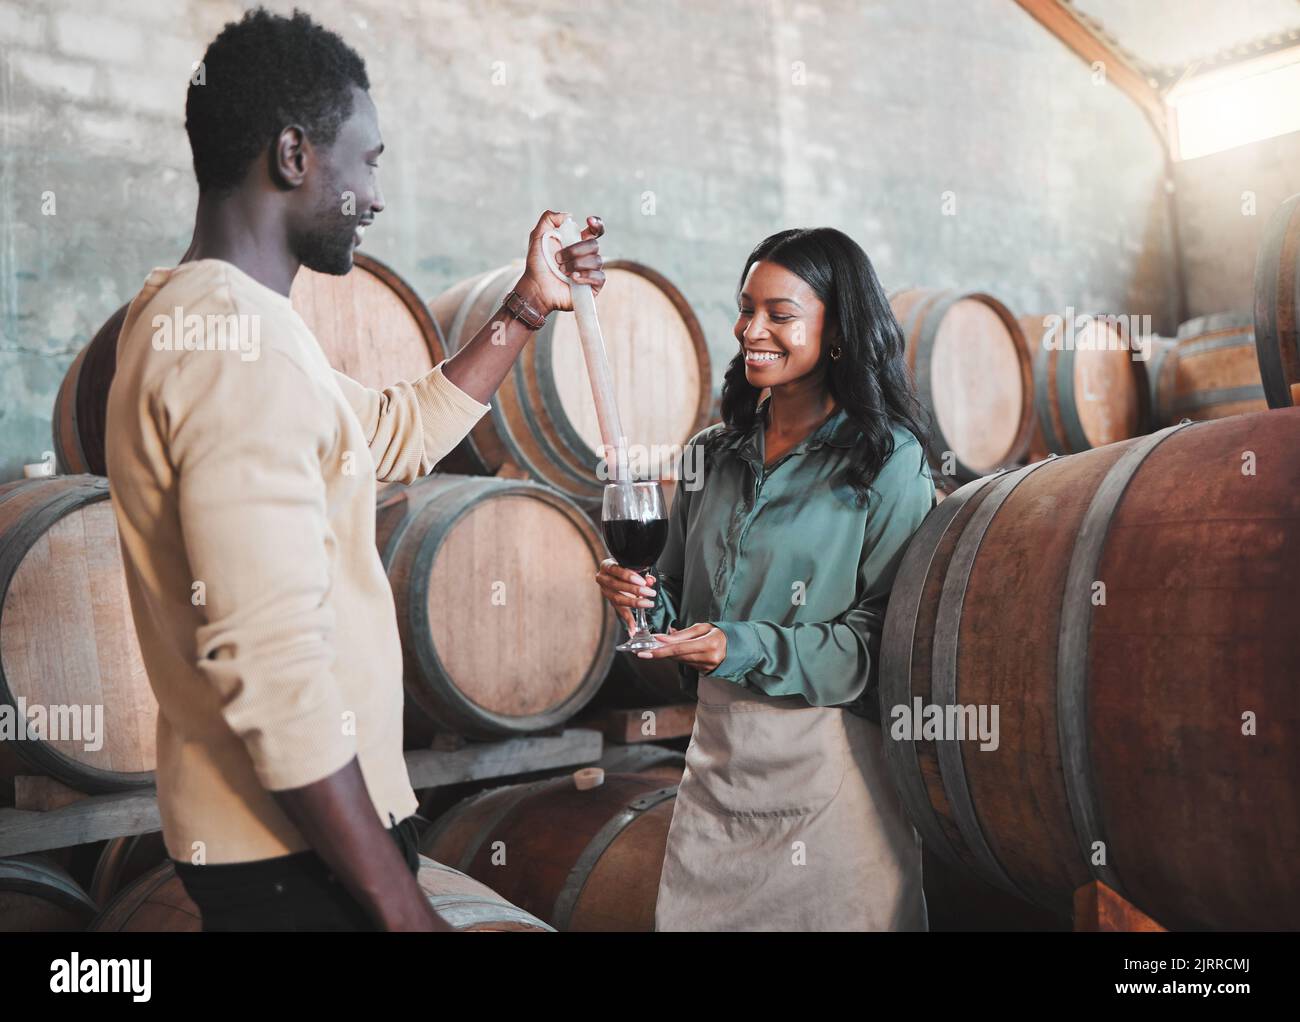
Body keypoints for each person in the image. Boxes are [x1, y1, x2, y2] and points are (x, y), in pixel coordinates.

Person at [104, 8, 605, 931]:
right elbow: (272, 662)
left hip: (280, 841)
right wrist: (401, 906)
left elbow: (389, 429)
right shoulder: (235, 345)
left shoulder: (208, 315)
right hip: (297, 857)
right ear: (295, 157)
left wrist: (528, 307)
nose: (377, 196)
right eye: (367, 162)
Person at [595, 227, 935, 931]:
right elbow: (679, 616)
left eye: (780, 314)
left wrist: (735, 645)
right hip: (716, 779)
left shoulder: (886, 460)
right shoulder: (709, 457)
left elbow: (881, 648)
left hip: (832, 784)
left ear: (837, 328)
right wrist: (643, 606)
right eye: (746, 308)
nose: (752, 329)